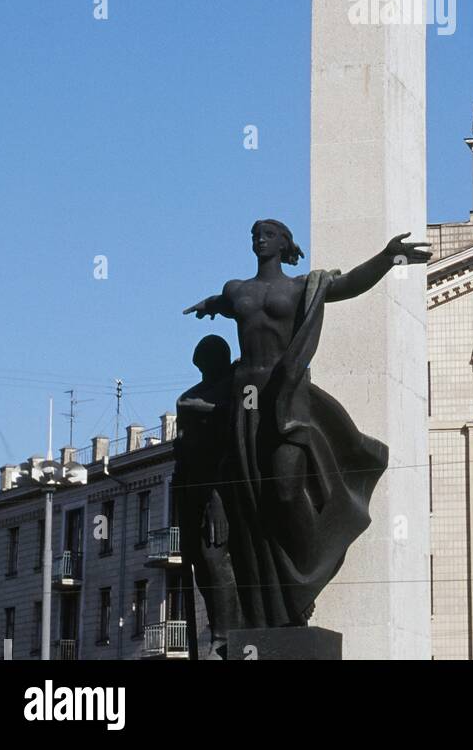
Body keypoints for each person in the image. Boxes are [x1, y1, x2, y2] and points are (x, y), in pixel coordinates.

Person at [183, 219, 431, 629]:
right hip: (247, 398)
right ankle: (274, 594)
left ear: (284, 243)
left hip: (286, 393)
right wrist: (209, 304)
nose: (259, 238)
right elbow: (225, 305)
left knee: (284, 486)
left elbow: (349, 283)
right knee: (253, 497)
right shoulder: (236, 289)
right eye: (254, 234)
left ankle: (302, 577)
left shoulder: (302, 287)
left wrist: (388, 258)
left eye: (268, 233)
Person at [173, 336, 241, 657]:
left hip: (227, 490)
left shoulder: (236, 385)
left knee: (216, 558)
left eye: (206, 366)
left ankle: (226, 634)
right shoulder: (192, 396)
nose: (202, 374)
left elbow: (239, 427)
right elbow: (183, 451)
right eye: (199, 369)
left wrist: (217, 499)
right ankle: (219, 628)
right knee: (202, 564)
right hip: (194, 491)